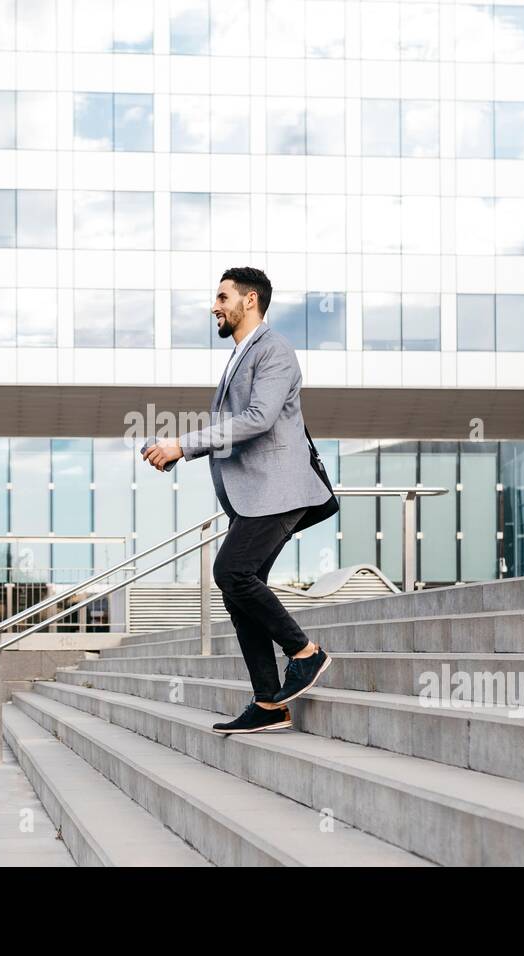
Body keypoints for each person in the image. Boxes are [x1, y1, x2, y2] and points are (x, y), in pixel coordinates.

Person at [142, 267, 335, 734]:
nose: (215, 306)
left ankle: (306, 653)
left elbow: (259, 418)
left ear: (250, 301)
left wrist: (182, 446)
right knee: (238, 591)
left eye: (222, 296)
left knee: (230, 571)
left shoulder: (274, 351)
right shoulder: (240, 356)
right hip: (257, 496)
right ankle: (269, 704)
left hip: (280, 491)